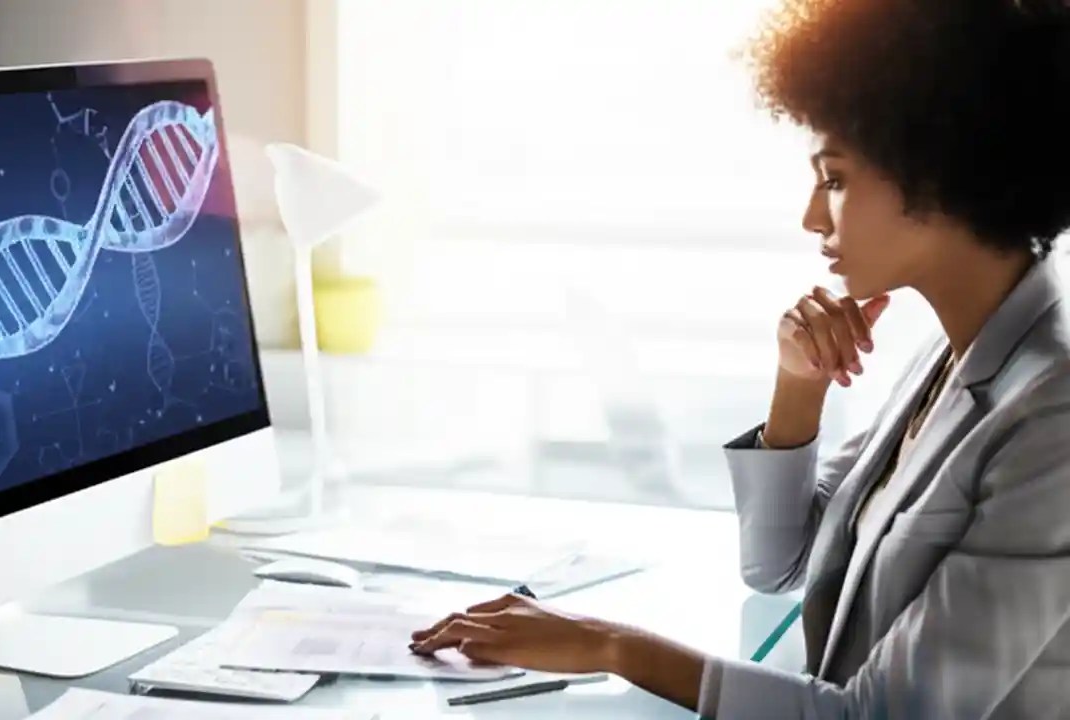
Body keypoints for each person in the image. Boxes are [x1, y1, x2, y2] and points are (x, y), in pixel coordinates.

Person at [409, 0, 1070, 716]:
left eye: (836, 178)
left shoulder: (1051, 416)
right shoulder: (949, 355)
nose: (813, 216)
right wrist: (798, 385)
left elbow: (881, 716)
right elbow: (778, 567)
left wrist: (612, 645)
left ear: (939, 170)